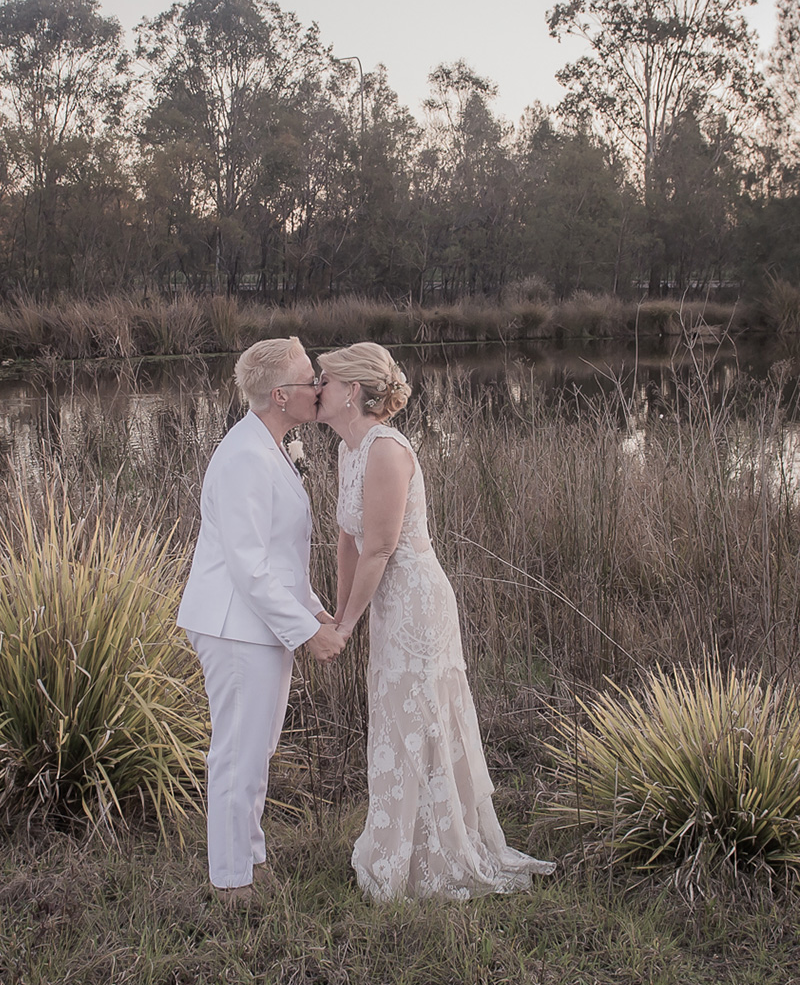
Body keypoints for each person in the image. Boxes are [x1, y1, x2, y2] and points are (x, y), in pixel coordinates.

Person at [316, 341, 555, 902]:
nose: (315, 389)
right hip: (384, 604)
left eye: (324, 379)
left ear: (352, 391)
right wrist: (338, 607)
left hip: (416, 604)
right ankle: (398, 843)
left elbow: (380, 548)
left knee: (421, 718)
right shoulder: (350, 452)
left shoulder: (386, 451)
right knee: (394, 716)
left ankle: (439, 854)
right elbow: (347, 541)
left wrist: (345, 628)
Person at [178, 336, 346, 906]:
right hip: (234, 624)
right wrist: (308, 631)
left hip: (259, 623)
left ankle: (248, 857)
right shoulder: (246, 456)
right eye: (310, 381)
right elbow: (249, 567)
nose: (318, 389)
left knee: (258, 747)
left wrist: (315, 606)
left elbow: (280, 555)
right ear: (281, 395)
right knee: (237, 751)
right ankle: (230, 883)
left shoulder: (271, 443)